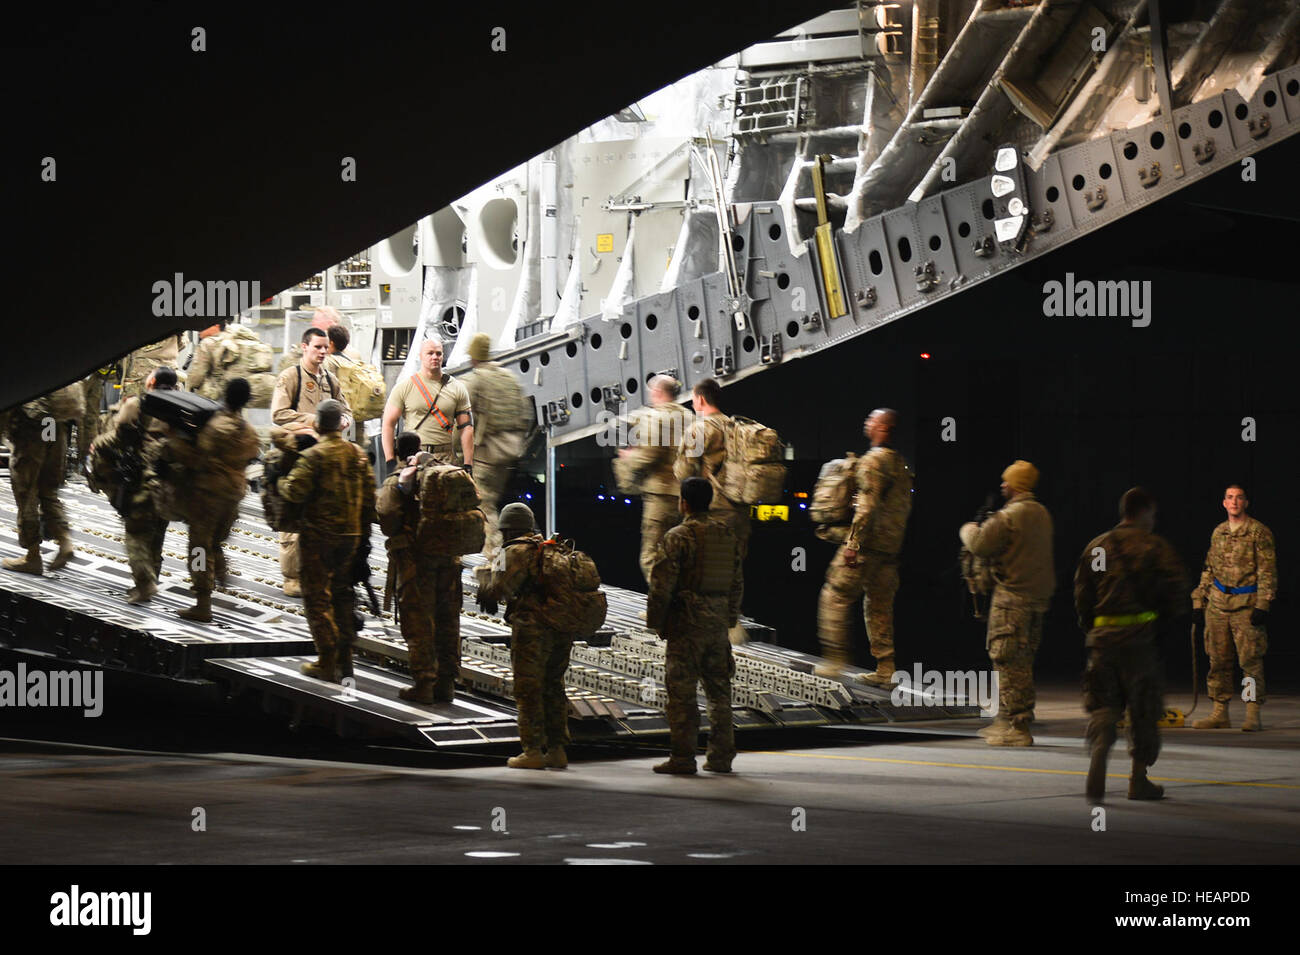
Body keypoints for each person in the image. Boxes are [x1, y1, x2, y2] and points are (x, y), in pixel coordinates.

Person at [1075, 487, 1188, 802]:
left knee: (1104, 705)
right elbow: (1177, 592)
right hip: (1140, 642)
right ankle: (1138, 780)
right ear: (1145, 511)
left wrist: (1094, 629)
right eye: (1153, 514)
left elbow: (1083, 596)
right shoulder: (1154, 547)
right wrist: (1162, 624)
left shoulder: (1097, 547)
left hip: (1102, 640)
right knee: (1143, 709)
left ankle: (1100, 749)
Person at [646, 477, 742, 775]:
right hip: (717, 625)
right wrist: (729, 619)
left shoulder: (678, 536)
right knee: (719, 692)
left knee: (682, 694)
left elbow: (662, 586)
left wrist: (657, 622)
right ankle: (721, 757)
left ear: (683, 502)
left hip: (687, 625)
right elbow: (737, 581)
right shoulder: (727, 535)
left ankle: (683, 758)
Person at [278, 399, 377, 682]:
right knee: (343, 596)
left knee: (317, 598)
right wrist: (365, 540)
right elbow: (370, 500)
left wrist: (278, 480)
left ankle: (327, 659)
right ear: (341, 425)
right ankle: (346, 660)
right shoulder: (357, 454)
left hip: (320, 538)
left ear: (318, 425)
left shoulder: (315, 456)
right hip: (351, 538)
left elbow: (293, 492)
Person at [959, 459, 1055, 746]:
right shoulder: (1041, 512)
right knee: (1021, 660)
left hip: (1012, 599)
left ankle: (1018, 725)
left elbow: (979, 544)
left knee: (1007, 659)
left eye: (1006, 481)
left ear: (1016, 485)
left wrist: (967, 529)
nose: (1003, 485)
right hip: (1037, 598)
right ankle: (1005, 719)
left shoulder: (1010, 515)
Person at [815, 408, 912, 684]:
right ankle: (886, 668)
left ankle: (835, 660)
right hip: (890, 550)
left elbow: (866, 507)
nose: (866, 422)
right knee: (879, 606)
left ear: (882, 427)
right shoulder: (900, 463)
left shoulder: (873, 461)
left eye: (871, 419)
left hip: (867, 546)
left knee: (834, 595)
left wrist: (852, 544)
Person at [478, 503, 573, 770]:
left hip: (532, 630)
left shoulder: (509, 551)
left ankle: (531, 750)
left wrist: (485, 577)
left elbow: (496, 588)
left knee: (528, 688)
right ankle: (557, 750)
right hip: (561, 628)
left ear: (507, 529)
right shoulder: (555, 548)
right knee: (554, 685)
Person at [163, 378, 260, 621]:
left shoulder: (214, 426)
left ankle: (202, 603)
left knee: (199, 548)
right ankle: (222, 572)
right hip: (234, 494)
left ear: (225, 395)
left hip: (208, 496)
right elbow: (251, 455)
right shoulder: (249, 431)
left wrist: (172, 442)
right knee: (215, 540)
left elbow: (196, 458)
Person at [377, 431, 462, 703]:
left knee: (419, 622)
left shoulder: (398, 481)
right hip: (449, 560)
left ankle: (424, 684)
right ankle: (447, 683)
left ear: (399, 453)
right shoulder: (445, 476)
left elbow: (387, 516)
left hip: (417, 561)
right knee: (448, 620)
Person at [270, 326, 352, 597]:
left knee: (320, 517)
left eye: (325, 347)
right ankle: (292, 578)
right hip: (298, 454)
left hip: (324, 458)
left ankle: (317, 572)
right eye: (317, 347)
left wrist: (344, 420)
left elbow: (345, 407)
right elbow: (280, 414)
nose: (322, 352)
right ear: (304, 346)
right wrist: (312, 422)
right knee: (293, 520)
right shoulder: (290, 376)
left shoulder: (330, 379)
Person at [1190, 484, 1276, 731]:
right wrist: (1199, 600)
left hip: (1246, 605)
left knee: (1249, 661)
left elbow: (1268, 571)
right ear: (1224, 503)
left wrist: (1263, 603)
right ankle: (1220, 712)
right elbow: (1209, 568)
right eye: (1230, 497)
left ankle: (1252, 713)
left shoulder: (1259, 533)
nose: (1234, 502)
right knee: (1217, 660)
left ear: (1246, 503)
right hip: (1217, 604)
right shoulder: (1219, 532)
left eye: (1239, 498)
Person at [93, 366, 178, 603]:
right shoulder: (183, 410)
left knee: (136, 535)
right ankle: (153, 579)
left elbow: (120, 435)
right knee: (158, 534)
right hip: (171, 482)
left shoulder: (139, 404)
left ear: (151, 382)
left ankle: (145, 584)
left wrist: (97, 444)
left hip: (143, 480)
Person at [674, 377, 749, 644]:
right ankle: (733, 620)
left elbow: (684, 471)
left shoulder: (700, 428)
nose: (693, 404)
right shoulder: (737, 426)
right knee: (734, 566)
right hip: (739, 508)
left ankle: (718, 629)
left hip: (713, 509)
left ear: (701, 399)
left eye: (693, 400)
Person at [459, 332, 530, 562]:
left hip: (486, 454)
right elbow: (525, 413)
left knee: (484, 506)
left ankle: (495, 562)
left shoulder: (476, 380)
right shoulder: (509, 378)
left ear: (473, 357)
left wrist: (457, 451)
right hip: (509, 451)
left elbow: (462, 417)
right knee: (492, 503)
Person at [619, 374, 694, 585]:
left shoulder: (656, 417)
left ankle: (665, 609)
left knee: (651, 557)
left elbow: (649, 454)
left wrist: (628, 458)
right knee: (678, 556)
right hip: (685, 496)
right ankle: (683, 607)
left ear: (658, 393)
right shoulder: (690, 417)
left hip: (660, 496)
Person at [1, 385, 83, 575]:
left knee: (26, 492)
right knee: (48, 490)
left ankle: (32, 556)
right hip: (54, 424)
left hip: (31, 429)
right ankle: (65, 541)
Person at [381, 338, 473, 470]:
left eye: (438, 353)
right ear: (421, 356)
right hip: (414, 458)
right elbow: (388, 424)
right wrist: (390, 460)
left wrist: (468, 463)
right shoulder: (404, 387)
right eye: (430, 353)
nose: (435, 357)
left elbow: (466, 427)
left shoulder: (456, 388)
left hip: (445, 458)